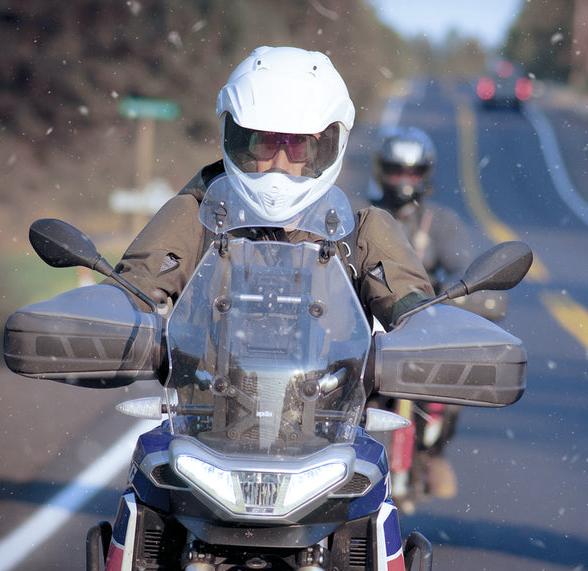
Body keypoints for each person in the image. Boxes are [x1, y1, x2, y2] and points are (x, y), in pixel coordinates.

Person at [112, 46, 434, 337]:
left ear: (327, 150)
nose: (280, 162)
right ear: (238, 139)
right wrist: (100, 322)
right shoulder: (195, 219)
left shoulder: (362, 238)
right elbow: (120, 300)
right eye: (264, 142)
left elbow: (426, 327)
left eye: (299, 146)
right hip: (201, 402)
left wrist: (436, 341)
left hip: (333, 403)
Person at [369, 126, 479, 499]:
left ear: (426, 174)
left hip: (425, 328)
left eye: (413, 172)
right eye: (396, 170)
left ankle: (433, 452)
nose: (404, 180)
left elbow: (464, 267)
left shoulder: (442, 223)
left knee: (451, 387)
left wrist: (465, 296)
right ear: (381, 170)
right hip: (369, 328)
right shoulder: (360, 216)